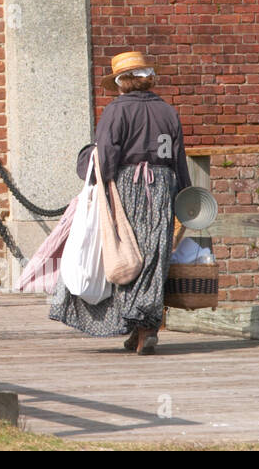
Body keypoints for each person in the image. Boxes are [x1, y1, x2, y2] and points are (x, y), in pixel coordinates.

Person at [49, 51, 191, 355]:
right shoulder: (168, 111)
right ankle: (144, 328)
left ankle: (140, 325)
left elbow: (107, 155)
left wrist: (103, 191)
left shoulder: (116, 111)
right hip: (164, 185)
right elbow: (179, 159)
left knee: (126, 251)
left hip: (127, 185)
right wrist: (185, 194)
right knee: (154, 255)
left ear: (122, 82)